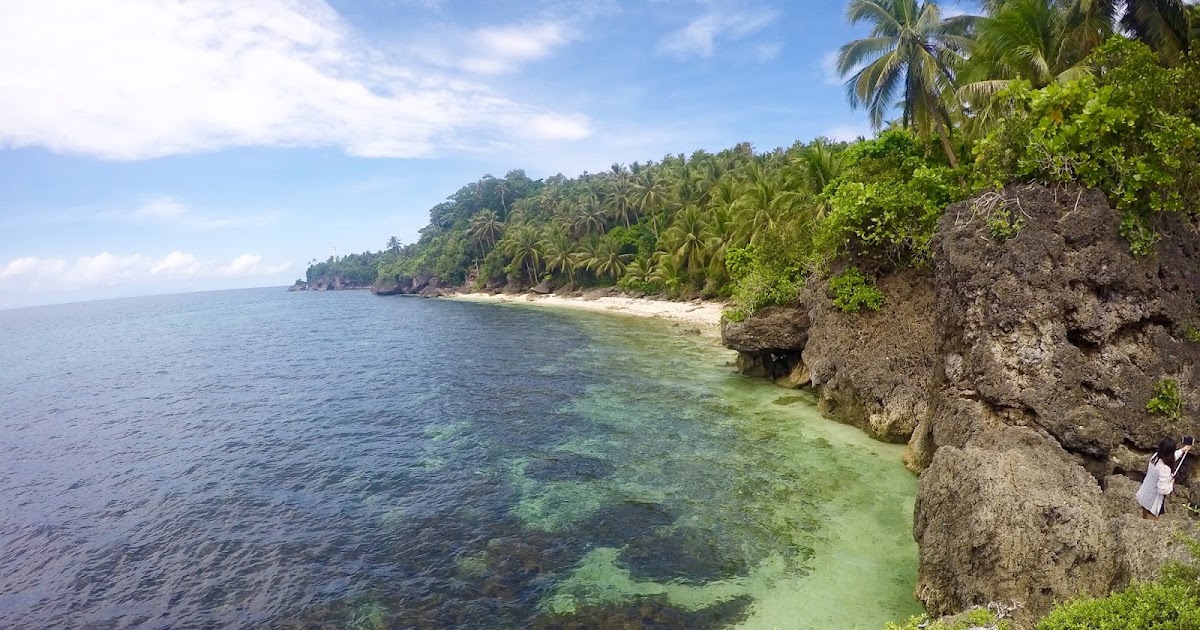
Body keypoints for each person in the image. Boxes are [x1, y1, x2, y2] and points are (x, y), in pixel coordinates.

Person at [1137, 438, 1192, 520]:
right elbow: (1162, 490)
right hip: (1153, 500)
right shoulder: (1164, 469)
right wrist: (1171, 483)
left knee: (1144, 515)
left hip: (1144, 494)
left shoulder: (1155, 457)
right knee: (1151, 523)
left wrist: (1182, 450)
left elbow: (1170, 458)